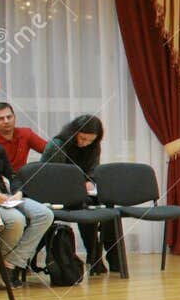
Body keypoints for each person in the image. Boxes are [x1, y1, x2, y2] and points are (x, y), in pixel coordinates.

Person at [0, 105, 52, 286]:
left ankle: (10, 263)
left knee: (45, 214)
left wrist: (18, 192)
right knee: (16, 221)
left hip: (6, 195)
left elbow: (12, 175)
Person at [43, 113, 121, 275]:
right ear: (74, 133)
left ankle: (115, 260)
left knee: (108, 208)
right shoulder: (58, 144)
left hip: (82, 191)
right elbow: (51, 175)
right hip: (58, 193)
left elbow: (92, 171)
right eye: (82, 138)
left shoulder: (93, 146)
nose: (85, 143)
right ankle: (94, 257)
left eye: (89, 140)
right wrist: (78, 184)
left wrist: (89, 181)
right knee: (86, 207)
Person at [0, 101, 47, 170]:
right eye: (0, 118)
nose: (6, 121)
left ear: (14, 117)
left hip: (23, 178)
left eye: (9, 117)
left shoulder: (26, 133)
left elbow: (51, 151)